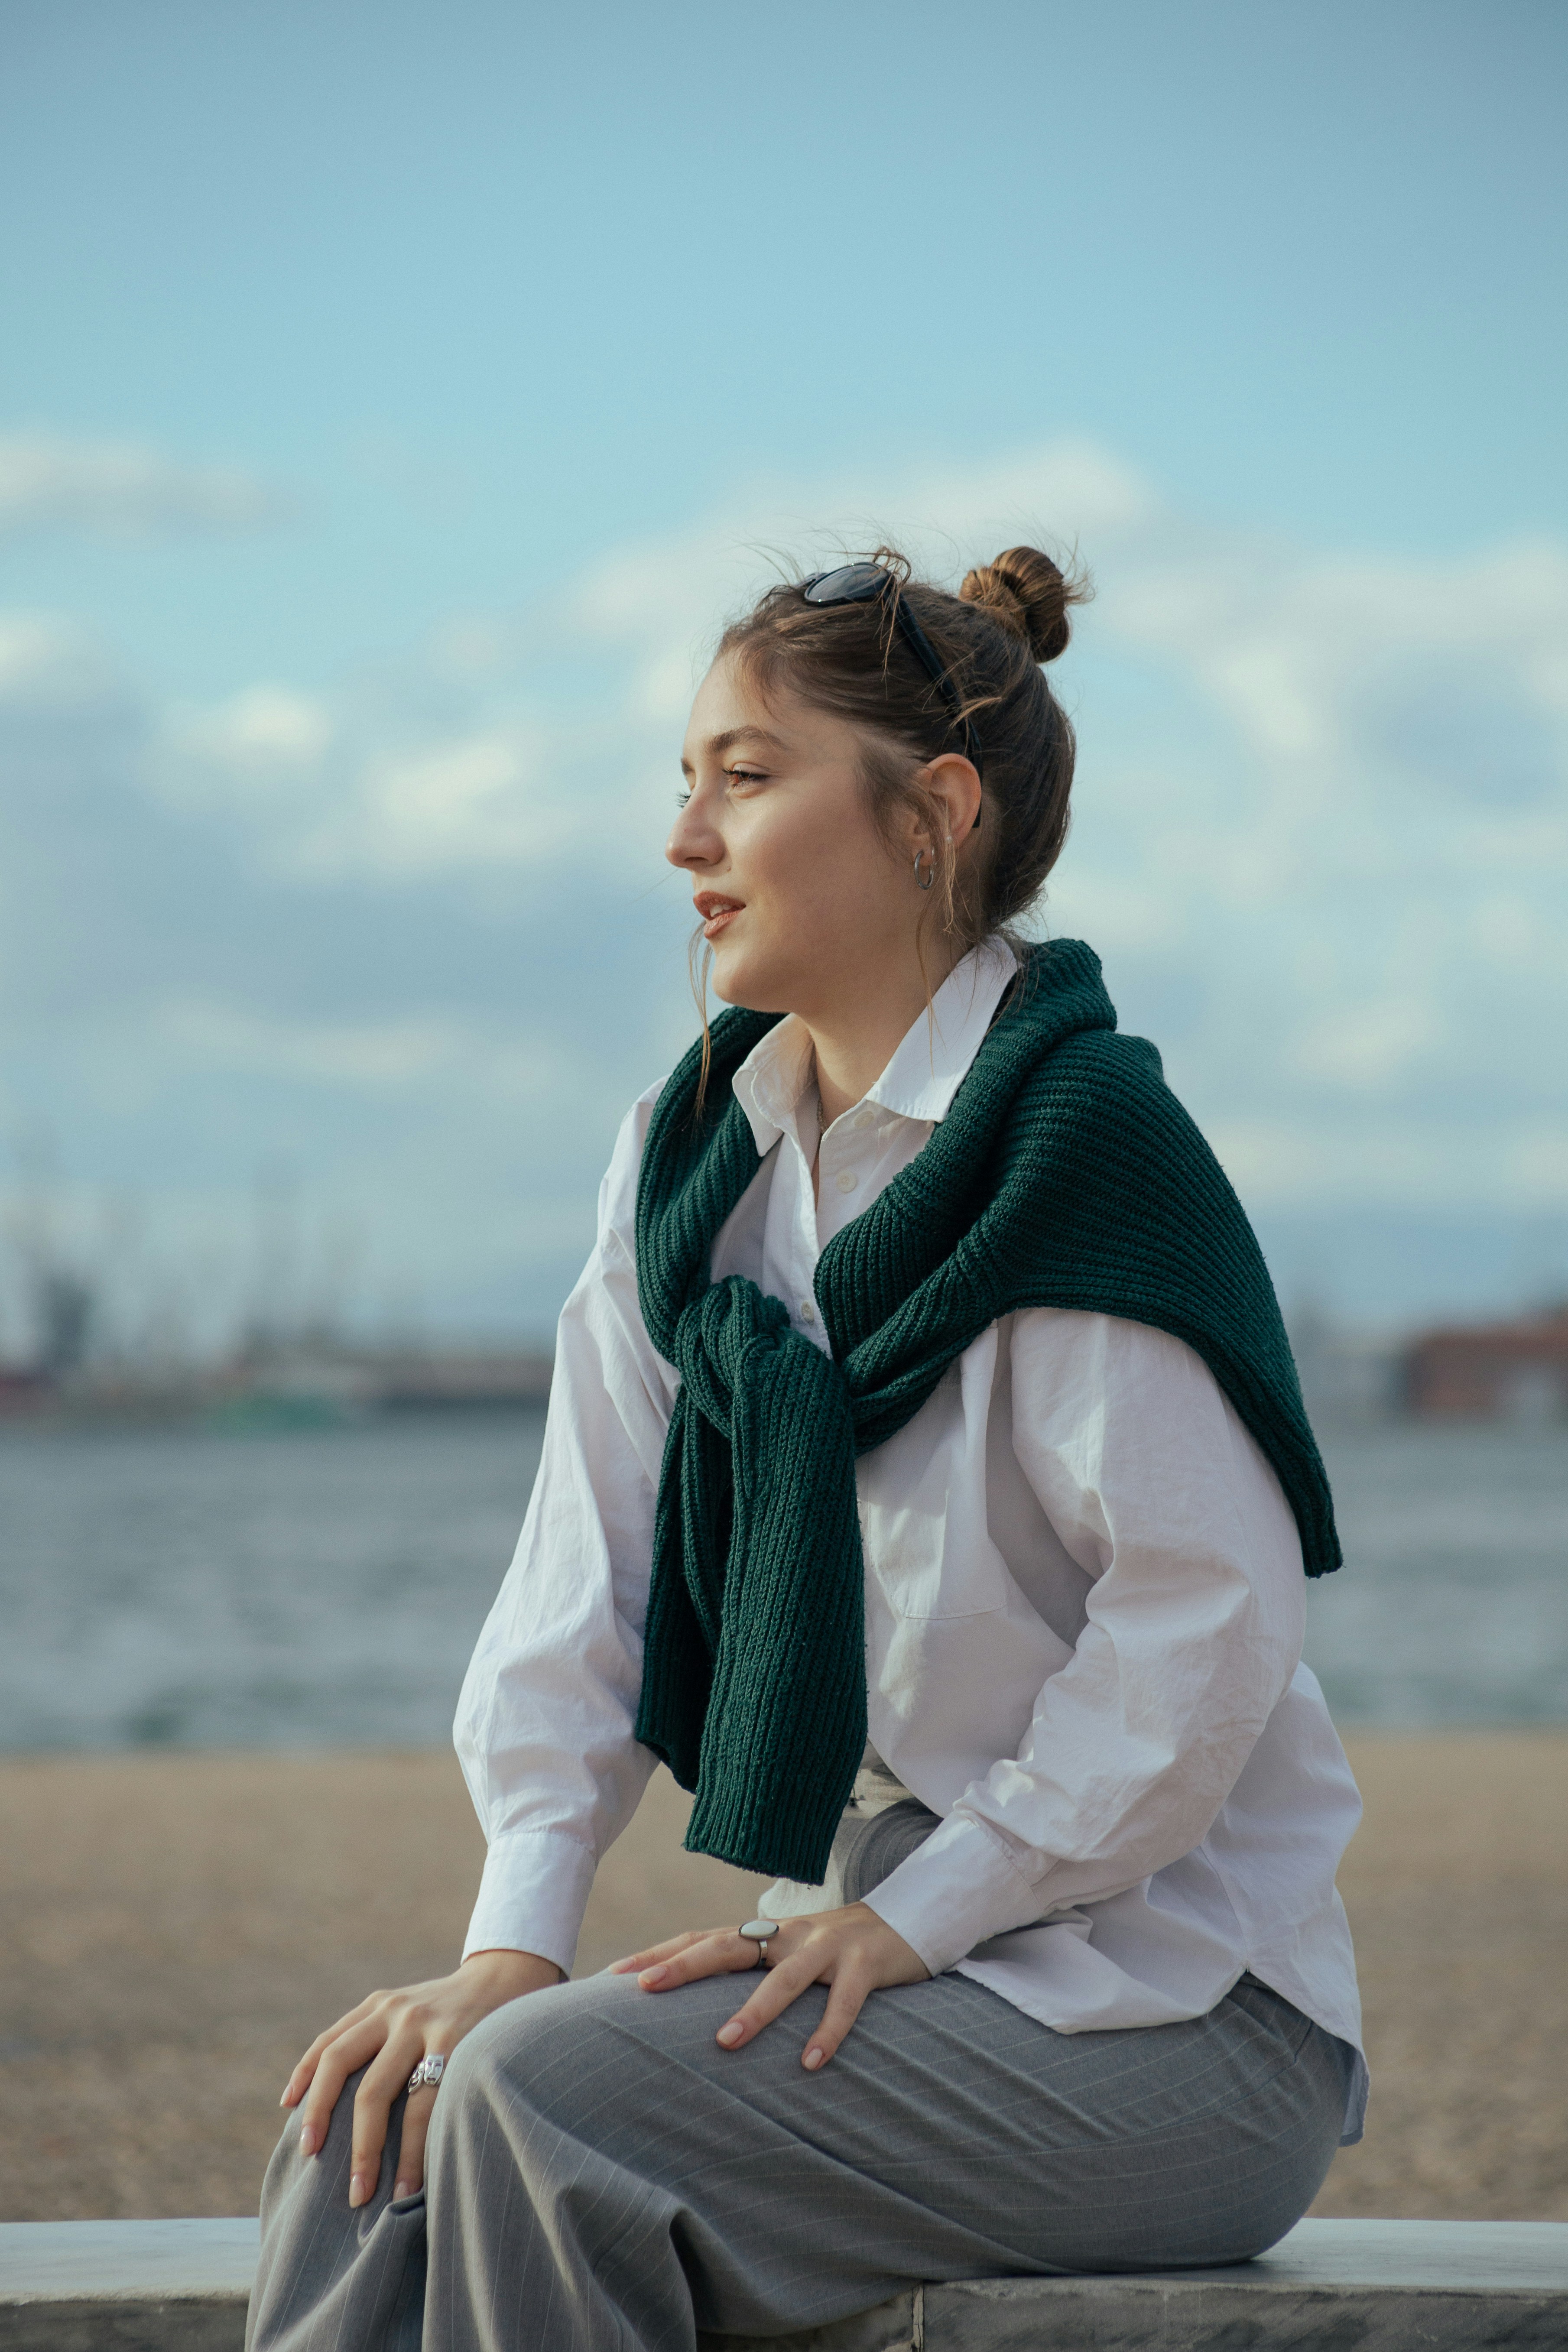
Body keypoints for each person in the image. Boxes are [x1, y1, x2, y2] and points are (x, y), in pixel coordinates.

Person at [247, 545, 1366, 2352]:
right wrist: (510, 1941)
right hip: (895, 1953)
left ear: (929, 812)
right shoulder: (691, 1157)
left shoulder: (1079, 1155)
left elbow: (1200, 1627)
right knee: (380, 2115)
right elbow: (583, 1575)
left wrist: (927, 1913)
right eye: (681, 781)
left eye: (743, 777)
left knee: (546, 2101)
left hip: (1174, 2022)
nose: (684, 837)